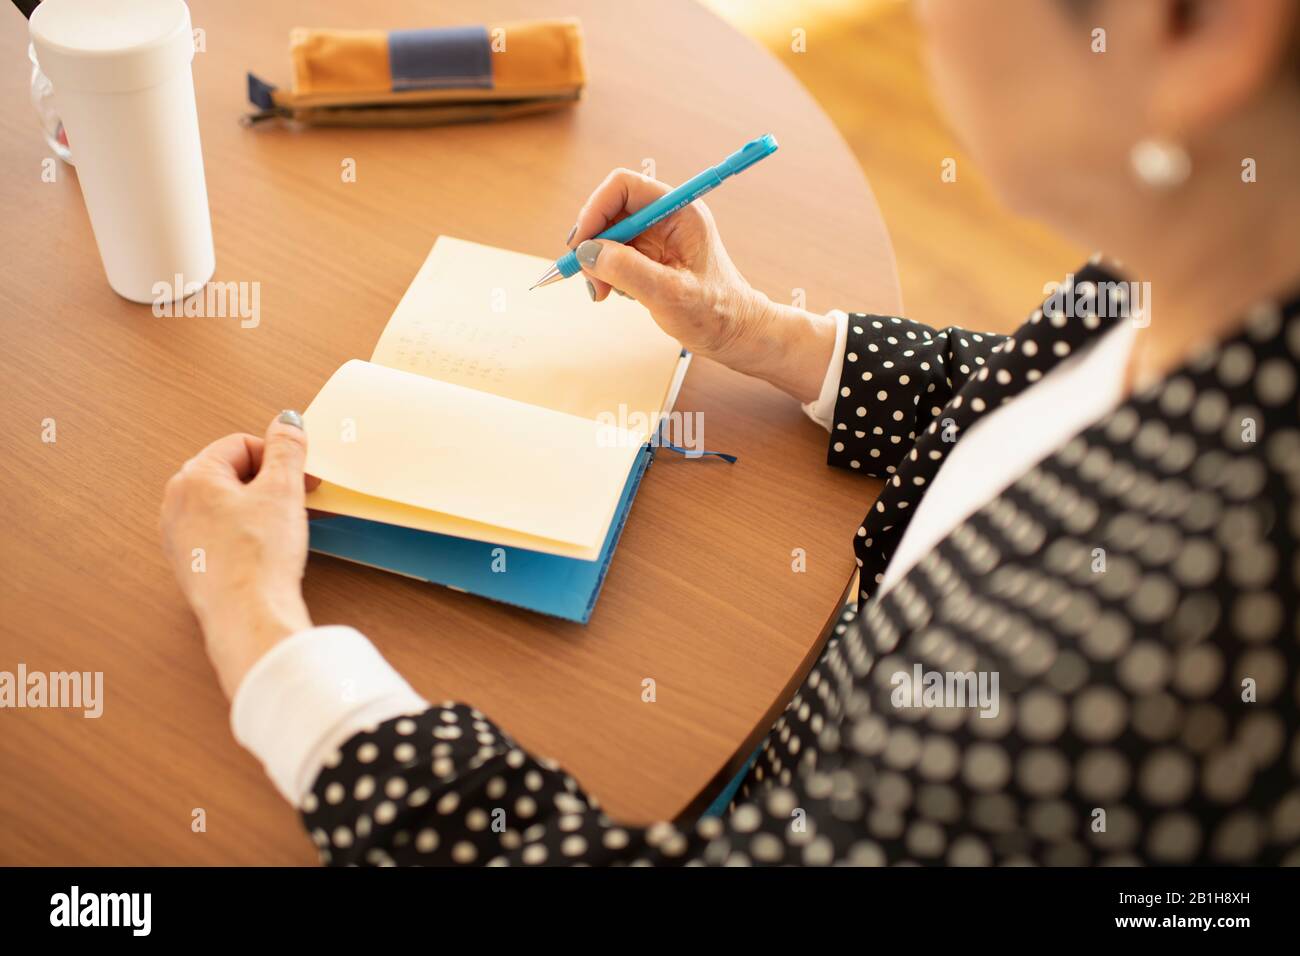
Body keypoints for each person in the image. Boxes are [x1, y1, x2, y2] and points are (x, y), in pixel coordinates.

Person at [160, 0, 1300, 865]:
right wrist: (768, 335)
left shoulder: (1156, 654)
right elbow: (1026, 392)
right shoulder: (1206, 268)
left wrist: (265, 637)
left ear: (1202, 34)